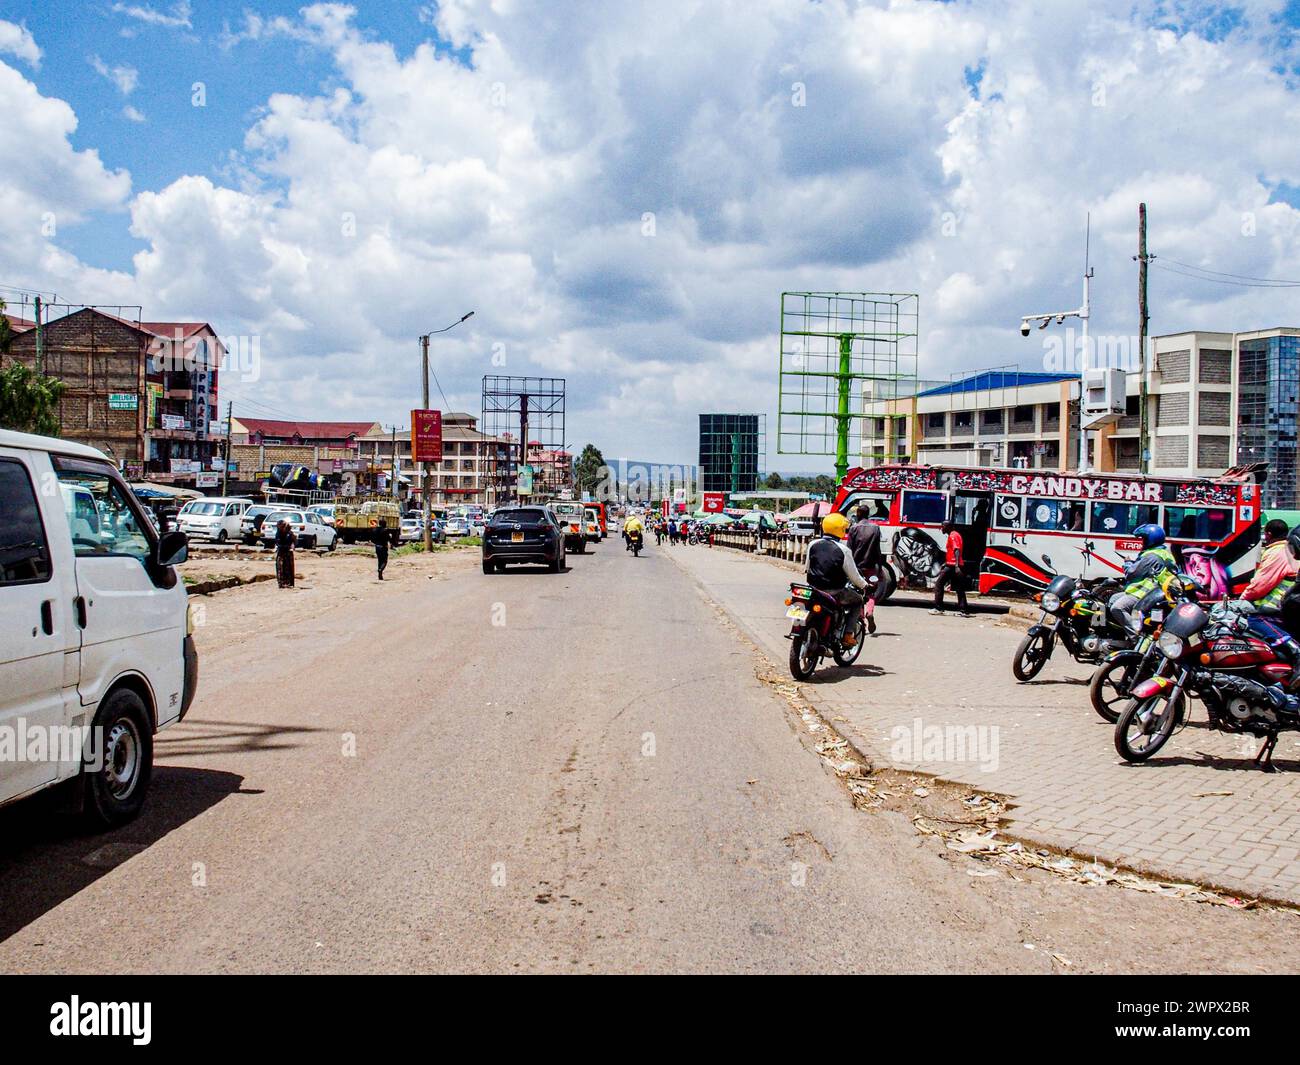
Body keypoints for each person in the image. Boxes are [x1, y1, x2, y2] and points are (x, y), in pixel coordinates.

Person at [1229, 519, 1300, 663]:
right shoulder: (1282, 551)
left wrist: (1242, 600)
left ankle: (1295, 650)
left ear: (1268, 534)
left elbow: (1261, 584)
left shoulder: (1278, 552)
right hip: (1288, 606)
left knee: (1255, 619)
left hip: (1281, 607)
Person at [805, 511, 868, 647]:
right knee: (858, 601)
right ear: (840, 529)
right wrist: (864, 585)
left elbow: (807, 567)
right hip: (834, 591)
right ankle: (847, 635)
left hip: (814, 589)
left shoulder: (813, 544)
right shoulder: (843, 550)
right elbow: (854, 576)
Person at [1107, 523, 1177, 634]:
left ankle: (1136, 635)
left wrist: (1128, 563)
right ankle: (1118, 634)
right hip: (1152, 592)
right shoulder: (1163, 553)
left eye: (1144, 539)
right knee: (1111, 599)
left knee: (1117, 608)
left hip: (1145, 593)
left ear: (1151, 540)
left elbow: (1131, 573)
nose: (1142, 542)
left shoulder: (1152, 556)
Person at [848, 504, 884, 635]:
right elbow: (877, 550)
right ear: (868, 514)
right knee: (871, 592)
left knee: (858, 593)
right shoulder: (875, 528)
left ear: (858, 514)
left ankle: (861, 620)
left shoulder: (853, 528)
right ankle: (870, 612)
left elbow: (849, 550)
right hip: (871, 566)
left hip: (856, 568)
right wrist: (879, 567)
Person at [931, 520, 970, 616]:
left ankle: (938, 608)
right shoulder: (954, 535)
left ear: (948, 527)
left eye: (943, 526)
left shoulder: (953, 535)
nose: (942, 528)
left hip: (952, 566)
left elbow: (957, 550)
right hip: (952, 564)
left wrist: (956, 565)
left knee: (939, 584)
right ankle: (963, 610)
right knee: (959, 588)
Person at [274, 519, 296, 588]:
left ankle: (289, 583)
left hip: (288, 552)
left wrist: (292, 545)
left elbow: (294, 541)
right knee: (281, 567)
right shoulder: (279, 533)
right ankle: (281, 583)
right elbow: (278, 543)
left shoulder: (290, 533)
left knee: (288, 568)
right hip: (281, 552)